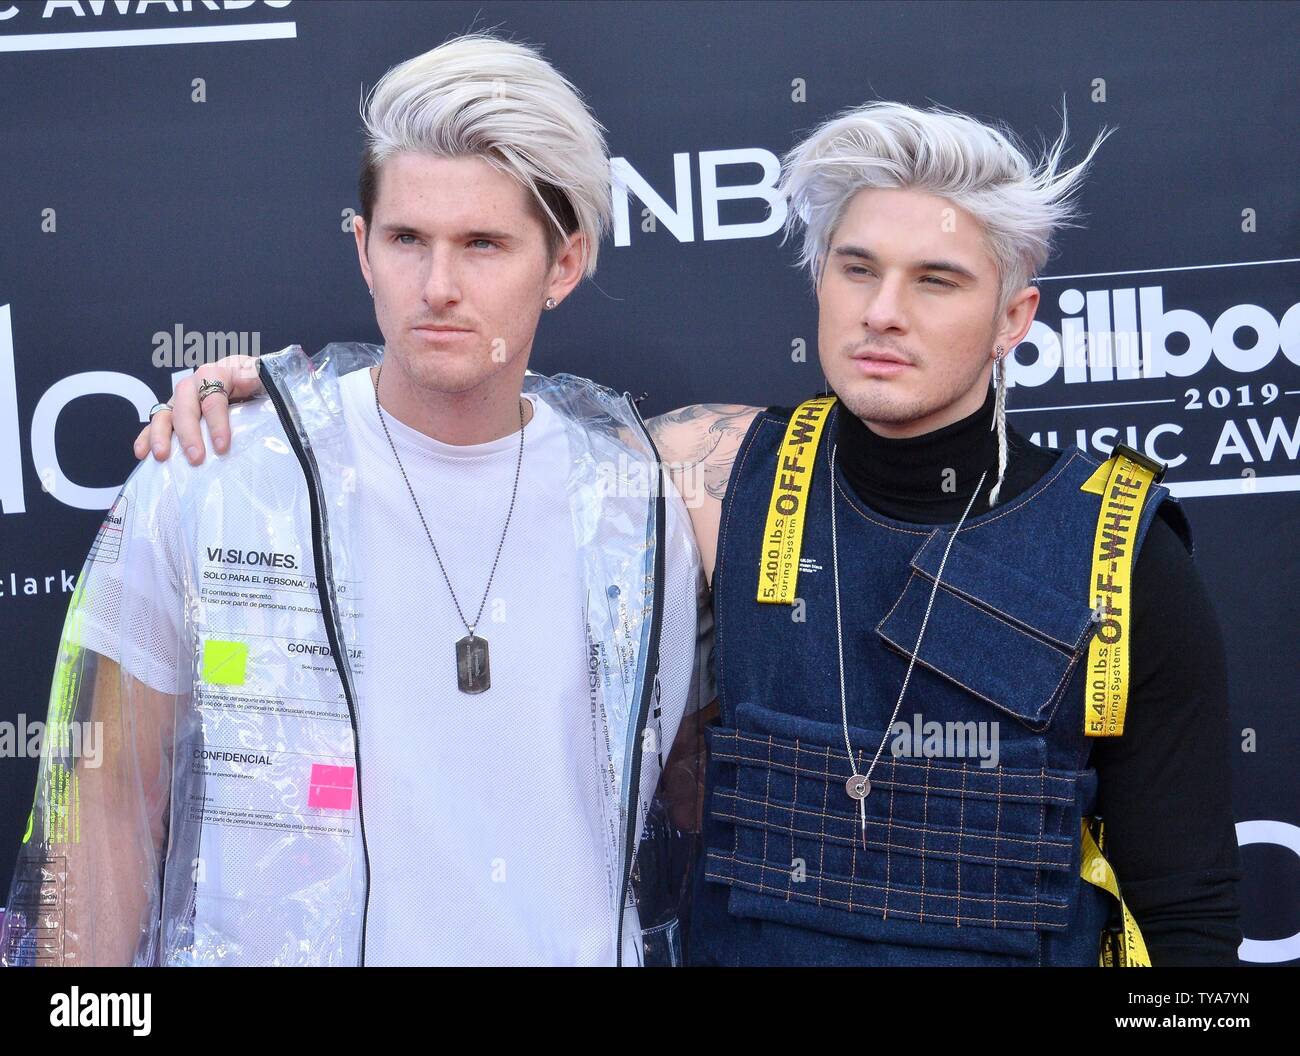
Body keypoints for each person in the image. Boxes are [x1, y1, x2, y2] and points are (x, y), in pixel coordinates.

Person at [140, 101, 1243, 965]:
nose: (883, 310)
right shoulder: (703, 473)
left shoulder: (1120, 545)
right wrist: (271, 407)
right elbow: (449, 433)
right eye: (856, 268)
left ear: (1012, 316)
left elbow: (1185, 903)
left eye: (936, 280)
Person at [1, 33, 710, 968]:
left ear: (565, 263)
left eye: (484, 245)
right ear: (362, 248)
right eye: (407, 239)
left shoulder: (643, 508)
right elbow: (104, 811)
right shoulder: (216, 477)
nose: (439, 287)